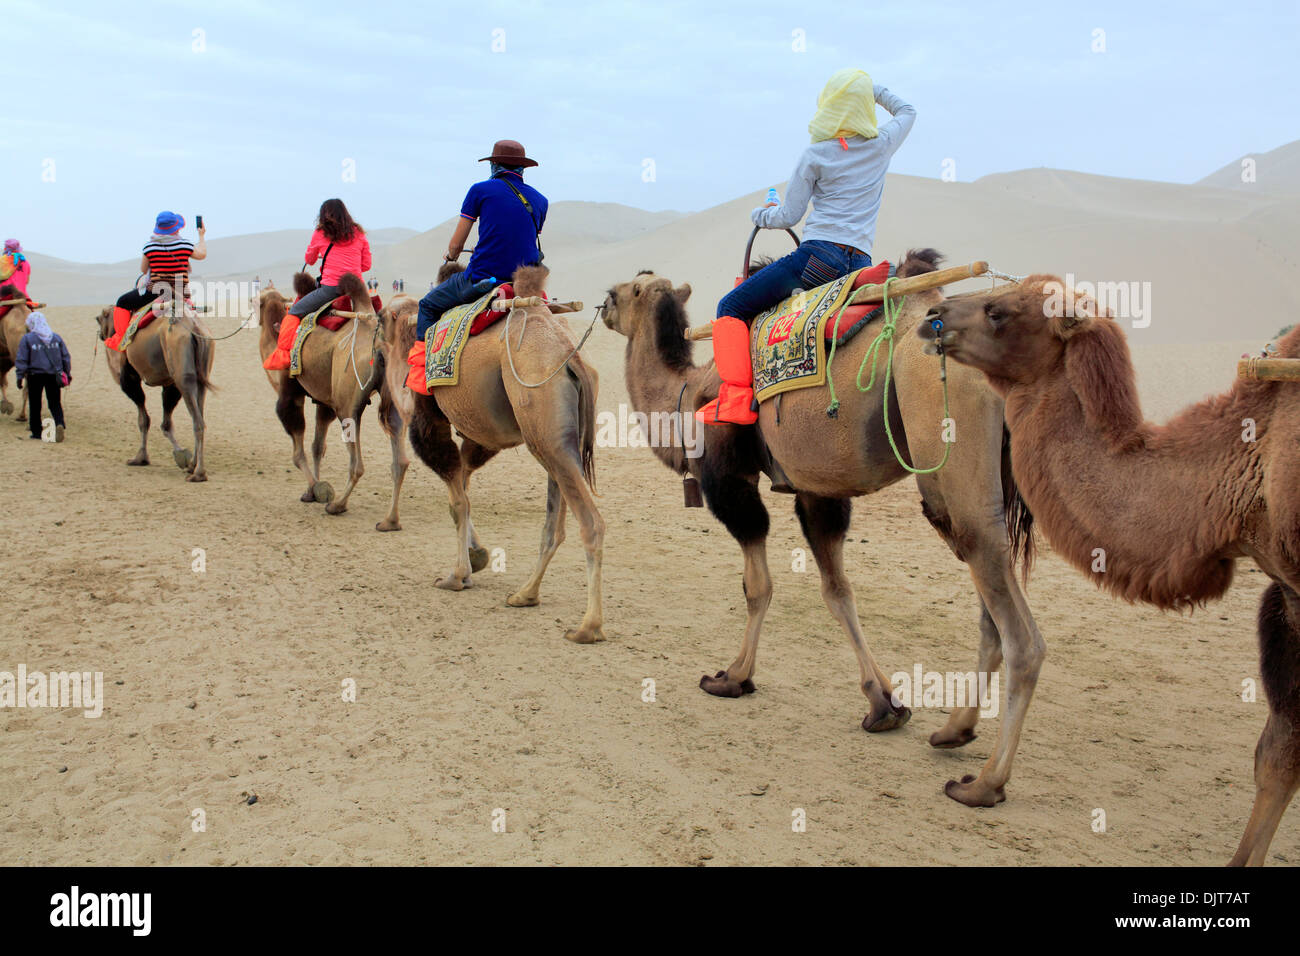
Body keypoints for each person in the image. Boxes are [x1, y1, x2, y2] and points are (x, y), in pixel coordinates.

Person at [699, 69, 916, 425]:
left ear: (828, 107)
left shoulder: (816, 154)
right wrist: (869, 89)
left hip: (817, 259)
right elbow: (908, 111)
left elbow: (787, 216)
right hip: (859, 264)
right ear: (865, 107)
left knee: (731, 305)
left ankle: (737, 398)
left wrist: (760, 214)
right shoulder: (881, 145)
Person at [414, 139, 547, 343]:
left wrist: (451, 256)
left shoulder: (480, 190)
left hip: (484, 277)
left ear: (494, 165)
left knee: (427, 306)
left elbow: (456, 244)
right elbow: (518, 236)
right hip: (523, 281)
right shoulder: (541, 200)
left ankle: (422, 367)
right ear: (523, 169)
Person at [264, 199, 372, 371]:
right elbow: (366, 265)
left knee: (294, 311)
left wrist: (325, 256)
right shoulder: (359, 233)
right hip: (357, 289)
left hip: (331, 289)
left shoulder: (320, 233)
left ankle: (283, 355)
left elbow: (310, 260)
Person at [106, 212, 207, 351]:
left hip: (155, 291)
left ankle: (122, 340)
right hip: (181, 292)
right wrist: (201, 235)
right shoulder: (185, 245)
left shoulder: (150, 247)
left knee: (122, 302)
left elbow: (143, 270)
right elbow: (202, 254)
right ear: (177, 228)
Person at [14, 310, 71, 442]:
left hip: (35, 376)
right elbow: (65, 357)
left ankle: (36, 432)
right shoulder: (56, 337)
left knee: (35, 404)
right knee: (55, 402)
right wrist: (67, 373)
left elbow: (22, 359)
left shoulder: (28, 339)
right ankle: (59, 423)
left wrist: (19, 376)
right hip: (53, 375)